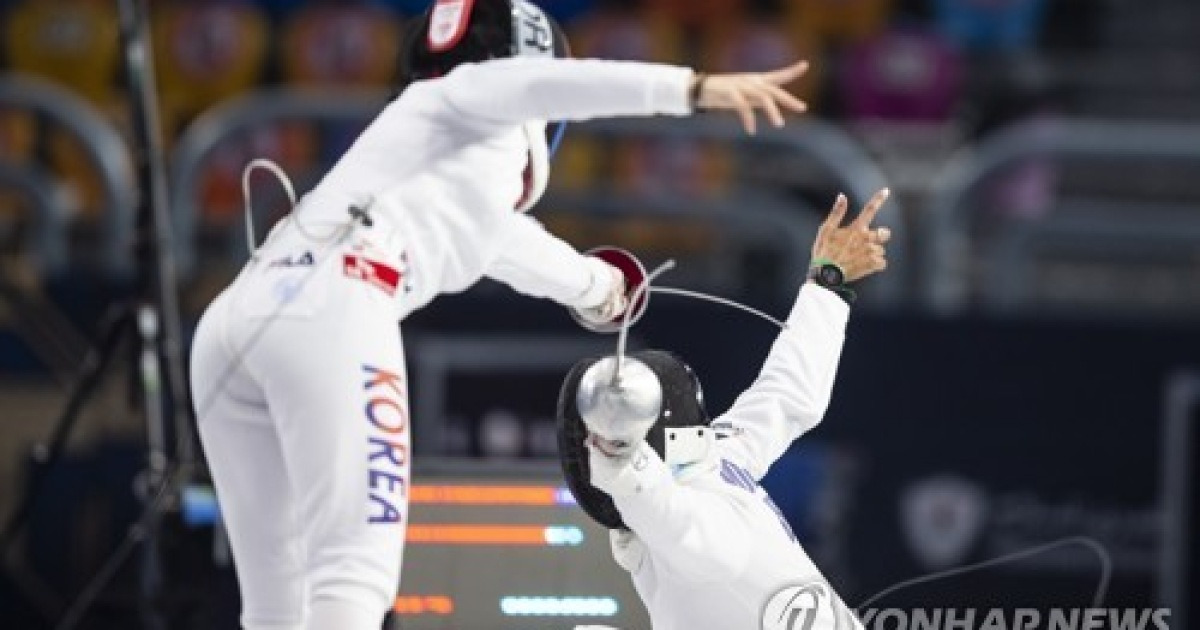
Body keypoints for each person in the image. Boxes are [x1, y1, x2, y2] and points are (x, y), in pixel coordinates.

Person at [187, 1, 812, 628]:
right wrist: (692, 89)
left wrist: (598, 286)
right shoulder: (470, 94)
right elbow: (530, 87)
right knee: (352, 576)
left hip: (234, 321)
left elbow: (504, 243)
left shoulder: (440, 163)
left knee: (277, 601)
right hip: (336, 309)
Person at [558, 190, 892, 630]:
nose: (590, 452)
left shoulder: (709, 522)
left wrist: (618, 454)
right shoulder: (710, 470)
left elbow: (662, 507)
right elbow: (787, 395)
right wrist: (829, 283)